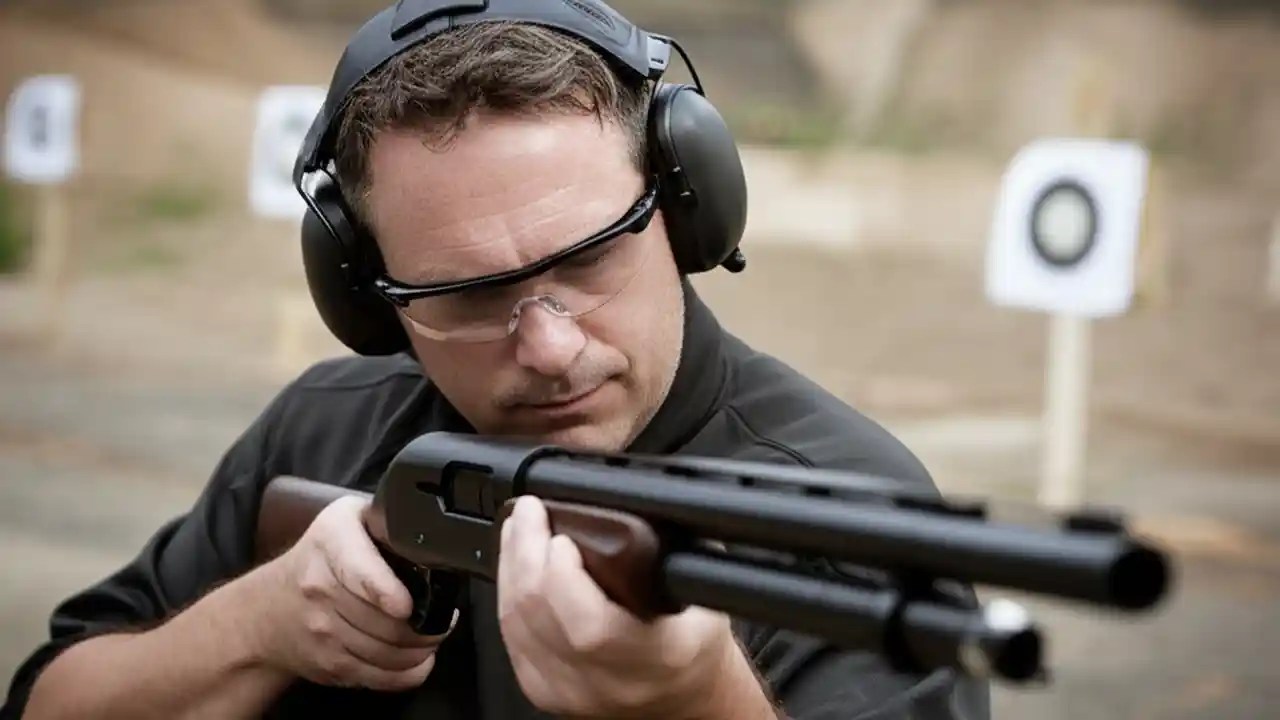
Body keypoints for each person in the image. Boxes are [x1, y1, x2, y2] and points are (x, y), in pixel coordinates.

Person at [3, 2, 990, 718]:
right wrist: (259, 625)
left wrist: (696, 700)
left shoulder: (848, 513)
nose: (550, 347)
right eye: (468, 297)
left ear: (686, 208)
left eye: (590, 259)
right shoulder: (328, 426)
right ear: (368, 299)